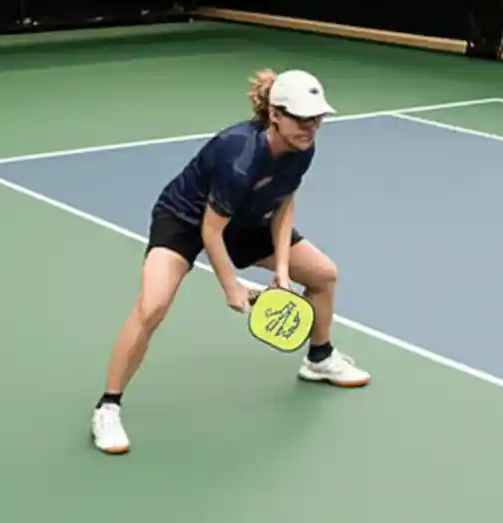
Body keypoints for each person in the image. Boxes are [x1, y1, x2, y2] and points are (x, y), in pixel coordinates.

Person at [91, 68, 371, 455]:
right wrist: (231, 287)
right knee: (153, 305)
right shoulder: (240, 155)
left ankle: (319, 357)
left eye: (317, 119)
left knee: (324, 274)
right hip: (186, 219)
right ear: (276, 114)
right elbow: (209, 231)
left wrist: (284, 271)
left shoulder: (302, 149)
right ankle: (107, 406)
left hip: (246, 219)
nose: (312, 127)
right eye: (303, 119)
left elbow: (285, 205)